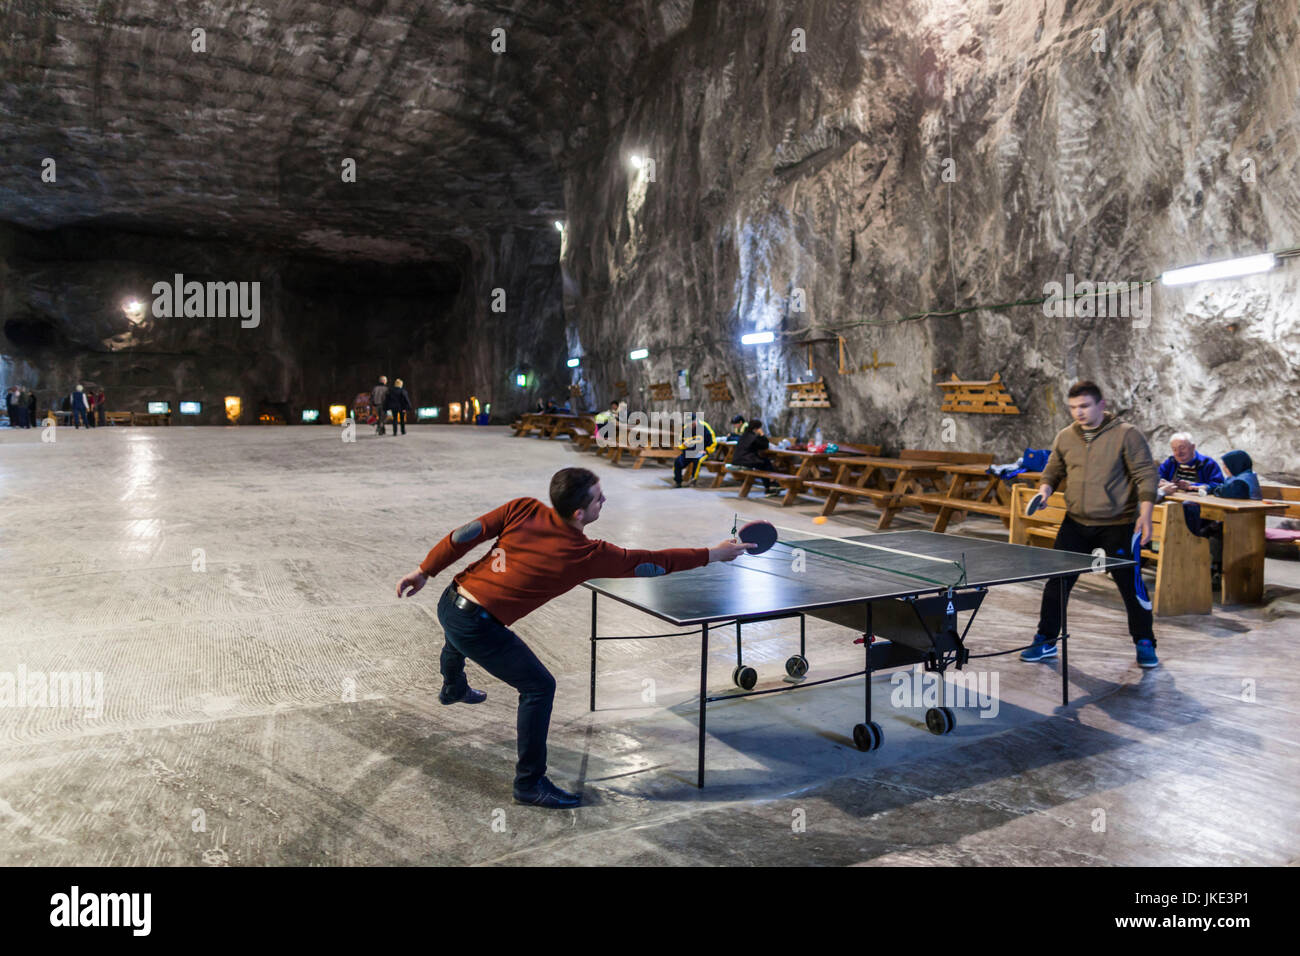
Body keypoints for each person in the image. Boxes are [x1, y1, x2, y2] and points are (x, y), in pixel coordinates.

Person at [395, 467, 753, 808]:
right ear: (580, 513)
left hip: (450, 599)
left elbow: (465, 534)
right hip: (478, 626)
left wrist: (424, 571)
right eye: (599, 498)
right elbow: (653, 561)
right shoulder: (586, 555)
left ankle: (453, 686)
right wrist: (714, 554)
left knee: (456, 631)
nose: (605, 501)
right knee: (538, 687)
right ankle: (529, 784)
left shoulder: (523, 508)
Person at [1020, 381, 1159, 668]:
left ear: (1101, 404)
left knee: (1130, 587)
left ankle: (1145, 641)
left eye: (1084, 406)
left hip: (1118, 525)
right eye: (1073, 408)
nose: (1078, 413)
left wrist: (1145, 513)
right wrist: (1044, 491)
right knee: (1057, 584)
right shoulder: (1065, 436)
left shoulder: (1126, 435)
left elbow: (1146, 474)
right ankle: (1046, 639)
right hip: (1076, 523)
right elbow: (1053, 470)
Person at [1157, 432, 1224, 494]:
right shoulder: (1170, 462)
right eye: (1174, 449)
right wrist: (1163, 483)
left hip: (1199, 503)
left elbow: (1219, 486)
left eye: (1182, 448)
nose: (1178, 453)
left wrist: (1192, 486)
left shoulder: (1208, 463)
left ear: (1193, 447)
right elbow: (1157, 479)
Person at [732, 418, 778, 495]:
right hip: (745, 461)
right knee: (765, 463)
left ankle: (770, 484)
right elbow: (764, 445)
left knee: (764, 462)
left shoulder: (744, 435)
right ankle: (770, 486)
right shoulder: (753, 437)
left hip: (737, 460)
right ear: (757, 428)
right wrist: (762, 434)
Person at [673, 416, 717, 488]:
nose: (691, 426)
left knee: (697, 460)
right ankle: (678, 481)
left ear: (696, 421)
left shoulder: (705, 427)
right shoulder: (685, 428)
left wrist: (706, 451)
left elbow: (713, 442)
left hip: (701, 451)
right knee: (678, 461)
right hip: (689, 451)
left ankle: (693, 480)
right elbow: (680, 442)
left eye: (692, 424)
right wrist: (683, 445)